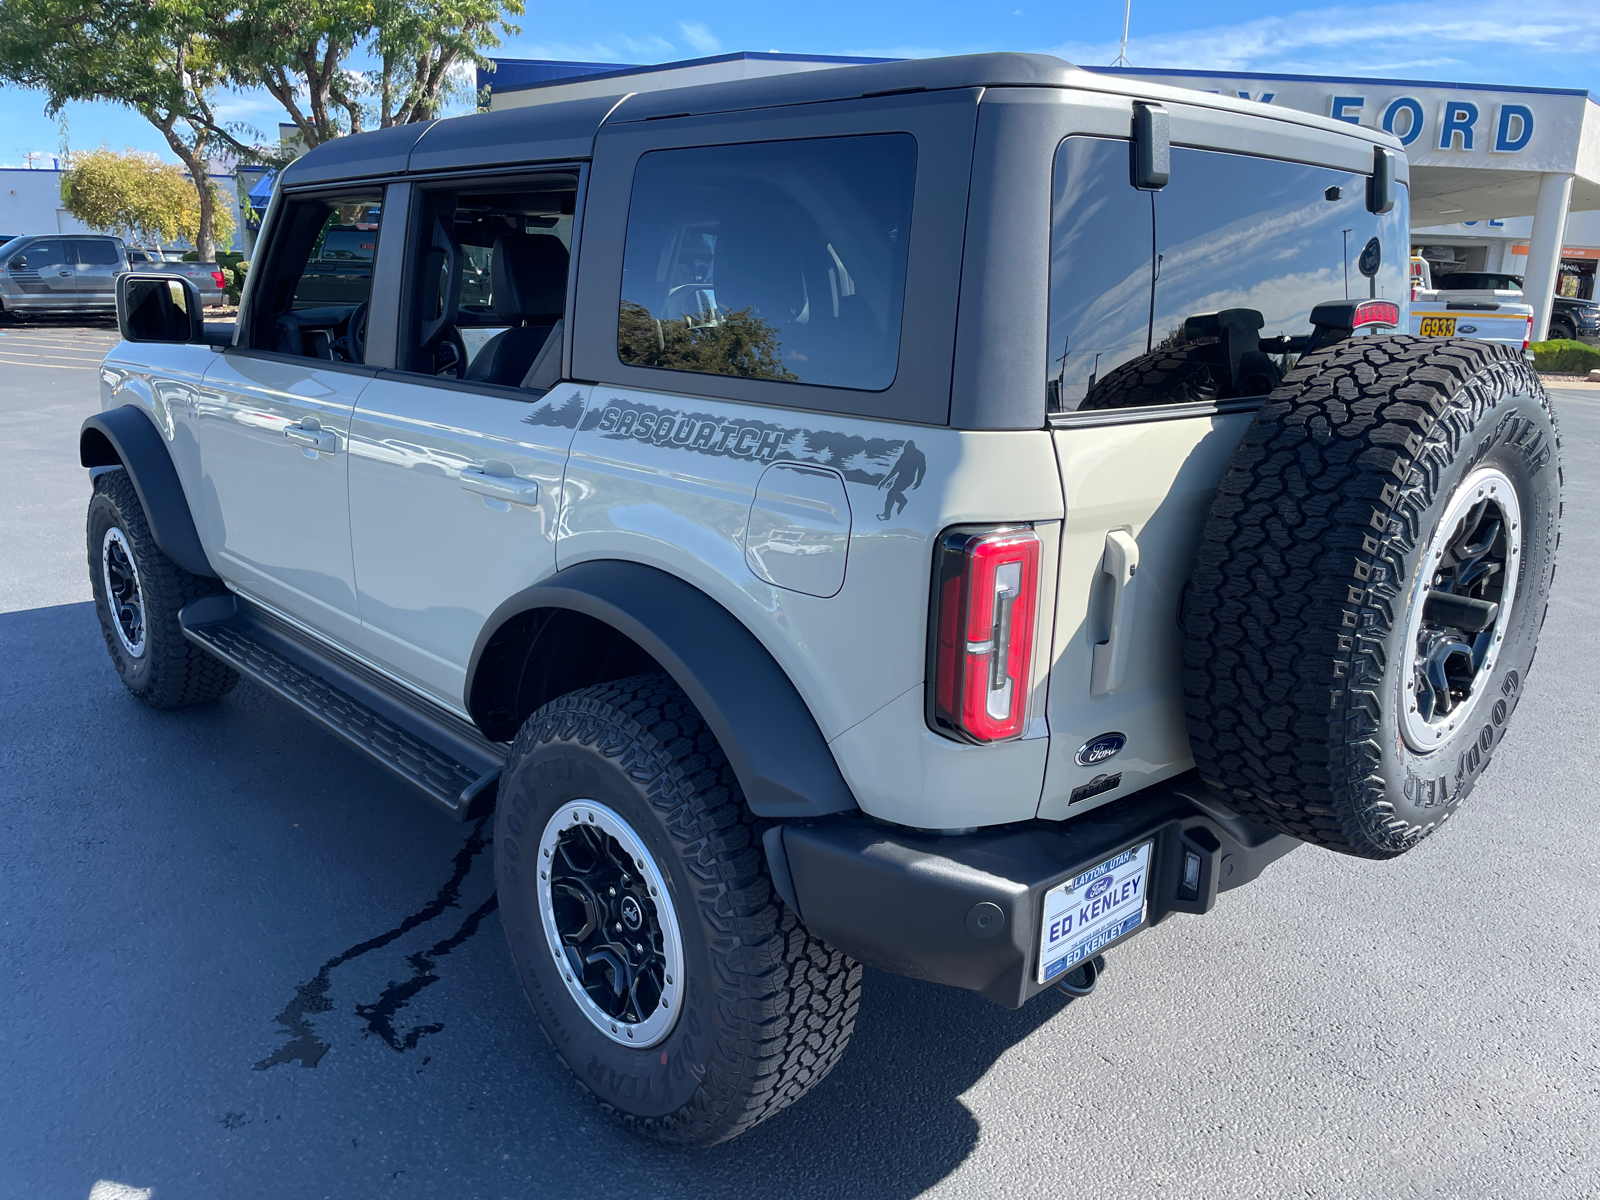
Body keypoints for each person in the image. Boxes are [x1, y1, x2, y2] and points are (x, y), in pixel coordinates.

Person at [877, 440, 925, 521]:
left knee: (892, 493)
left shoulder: (919, 455)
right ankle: (890, 511)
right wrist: (885, 481)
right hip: (900, 477)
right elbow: (896, 468)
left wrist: (919, 481)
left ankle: (892, 510)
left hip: (908, 479)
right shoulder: (904, 455)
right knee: (892, 494)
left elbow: (922, 468)